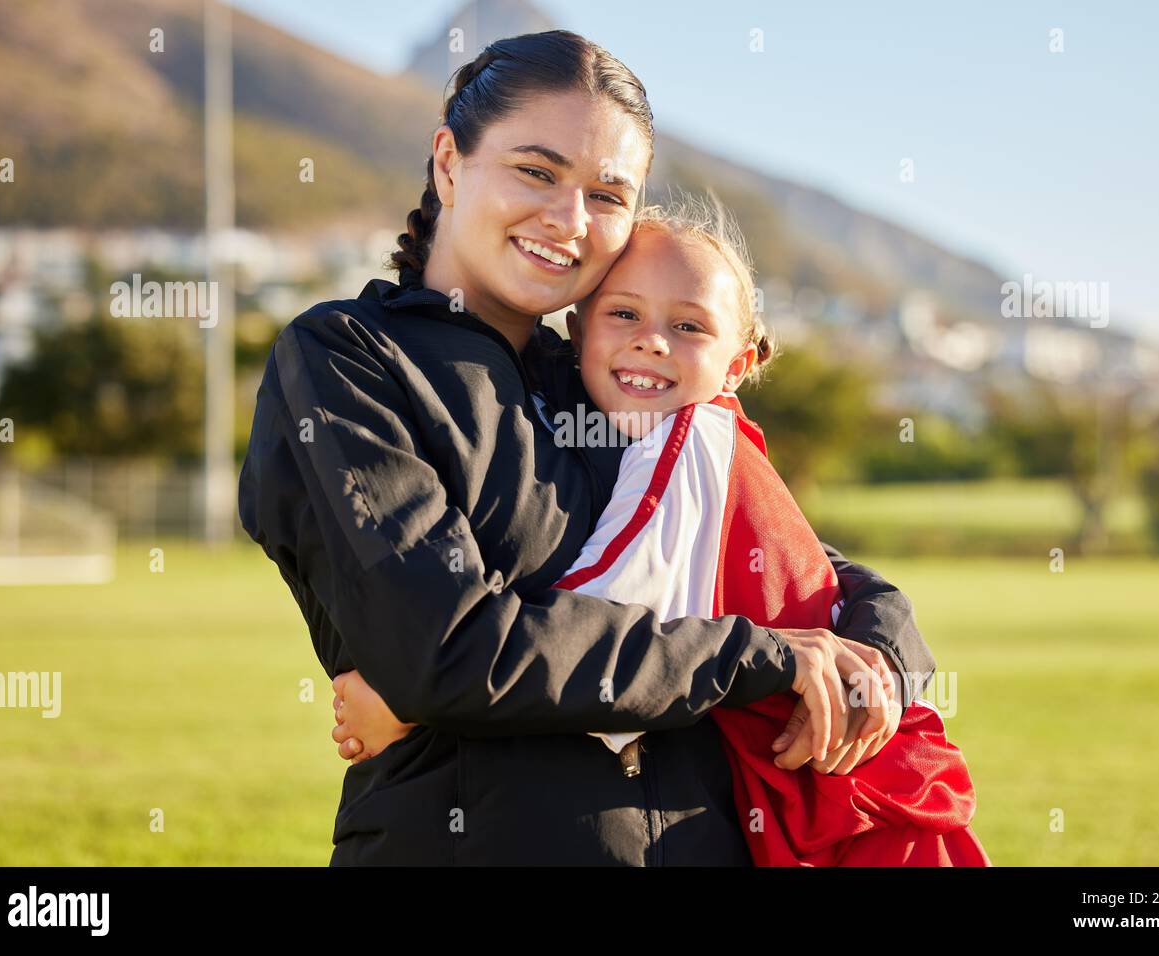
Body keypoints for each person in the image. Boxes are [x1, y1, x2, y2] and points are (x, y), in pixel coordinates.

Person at [240, 30, 935, 865]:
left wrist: (880, 658)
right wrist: (764, 657)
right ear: (450, 164)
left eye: (608, 194)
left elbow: (787, 564)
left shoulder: (610, 373)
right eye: (537, 172)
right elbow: (451, 653)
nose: (569, 220)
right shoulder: (346, 360)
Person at [336, 196, 990, 866]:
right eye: (625, 314)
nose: (652, 340)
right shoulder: (699, 442)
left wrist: (414, 695)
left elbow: (606, 616)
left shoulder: (684, 443)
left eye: (689, 326)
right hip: (847, 781)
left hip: (861, 793)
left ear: (735, 366)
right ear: (578, 328)